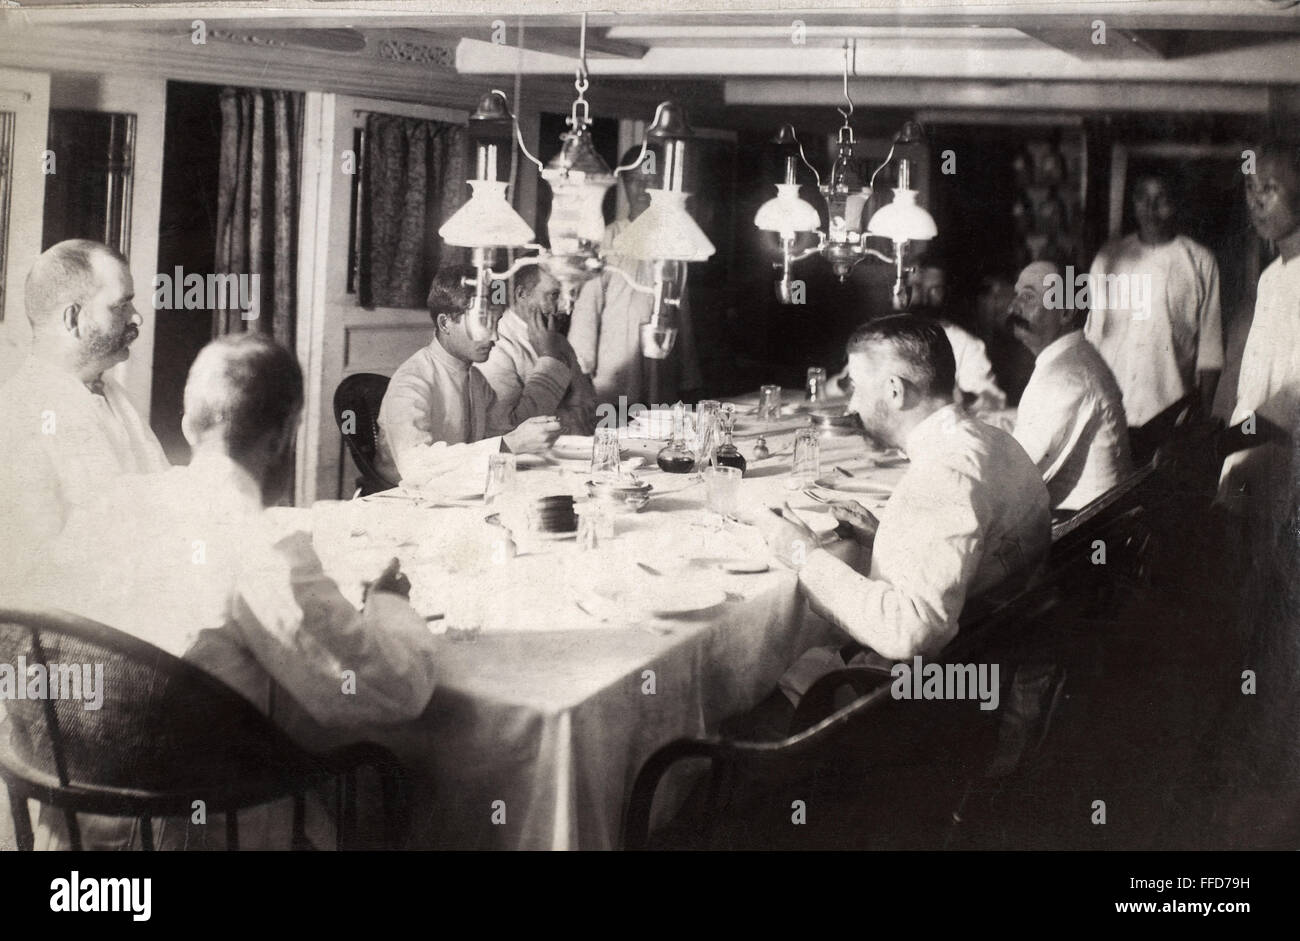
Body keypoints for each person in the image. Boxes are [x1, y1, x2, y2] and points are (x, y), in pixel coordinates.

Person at [15, 333, 439, 849]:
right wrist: (390, 603)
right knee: (379, 779)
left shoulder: (103, 509)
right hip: (200, 833)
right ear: (283, 435)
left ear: (188, 424)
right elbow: (394, 691)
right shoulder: (266, 552)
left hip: (71, 831)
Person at [755, 315, 1051, 700]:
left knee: (749, 698)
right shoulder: (994, 441)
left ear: (895, 391)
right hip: (990, 667)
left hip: (923, 706)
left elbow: (908, 632)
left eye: (856, 388)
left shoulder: (941, 475)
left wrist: (802, 554)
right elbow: (974, 550)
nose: (852, 404)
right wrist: (886, 535)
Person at [0, 240, 168, 553]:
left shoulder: (115, 397)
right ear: (73, 319)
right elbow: (34, 573)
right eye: (121, 306)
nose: (136, 318)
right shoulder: (16, 415)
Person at [374, 267, 561, 486]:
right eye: (483, 323)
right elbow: (415, 466)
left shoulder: (476, 380)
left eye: (496, 322)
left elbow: (499, 434)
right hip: (403, 502)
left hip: (457, 493)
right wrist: (510, 444)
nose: (494, 336)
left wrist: (528, 434)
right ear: (445, 323)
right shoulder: (412, 381)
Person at [1085, 171, 1223, 431]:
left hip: (1170, 414)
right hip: (1108, 411)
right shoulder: (1108, 258)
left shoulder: (1200, 261)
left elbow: (1210, 352)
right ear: (1133, 202)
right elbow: (1092, 339)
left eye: (1162, 199)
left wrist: (1203, 421)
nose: (1151, 209)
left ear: (1177, 203)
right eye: (1142, 198)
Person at [568, 145, 702, 407]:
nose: (643, 189)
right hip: (614, 368)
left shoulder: (673, 243)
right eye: (636, 181)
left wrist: (688, 378)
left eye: (651, 181)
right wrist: (580, 374)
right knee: (614, 436)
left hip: (661, 364)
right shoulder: (606, 240)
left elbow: (681, 314)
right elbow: (586, 311)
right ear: (624, 184)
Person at [1218, 139, 1300, 550]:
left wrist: (1224, 444)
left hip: (1286, 480)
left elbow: (1292, 395)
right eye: (1250, 189)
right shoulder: (1270, 278)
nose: (1256, 202)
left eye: (1269, 188)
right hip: (1249, 473)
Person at [1008, 261, 1133, 512]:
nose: (1013, 307)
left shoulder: (1067, 375)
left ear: (1066, 312)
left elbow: (1014, 478)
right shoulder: (1072, 358)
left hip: (1085, 535)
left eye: (1029, 297)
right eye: (1016, 295)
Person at [477, 264, 598, 436]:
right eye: (554, 295)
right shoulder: (495, 346)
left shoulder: (558, 340)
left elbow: (589, 406)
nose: (565, 307)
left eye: (570, 295)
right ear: (521, 294)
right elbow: (510, 427)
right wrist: (549, 356)